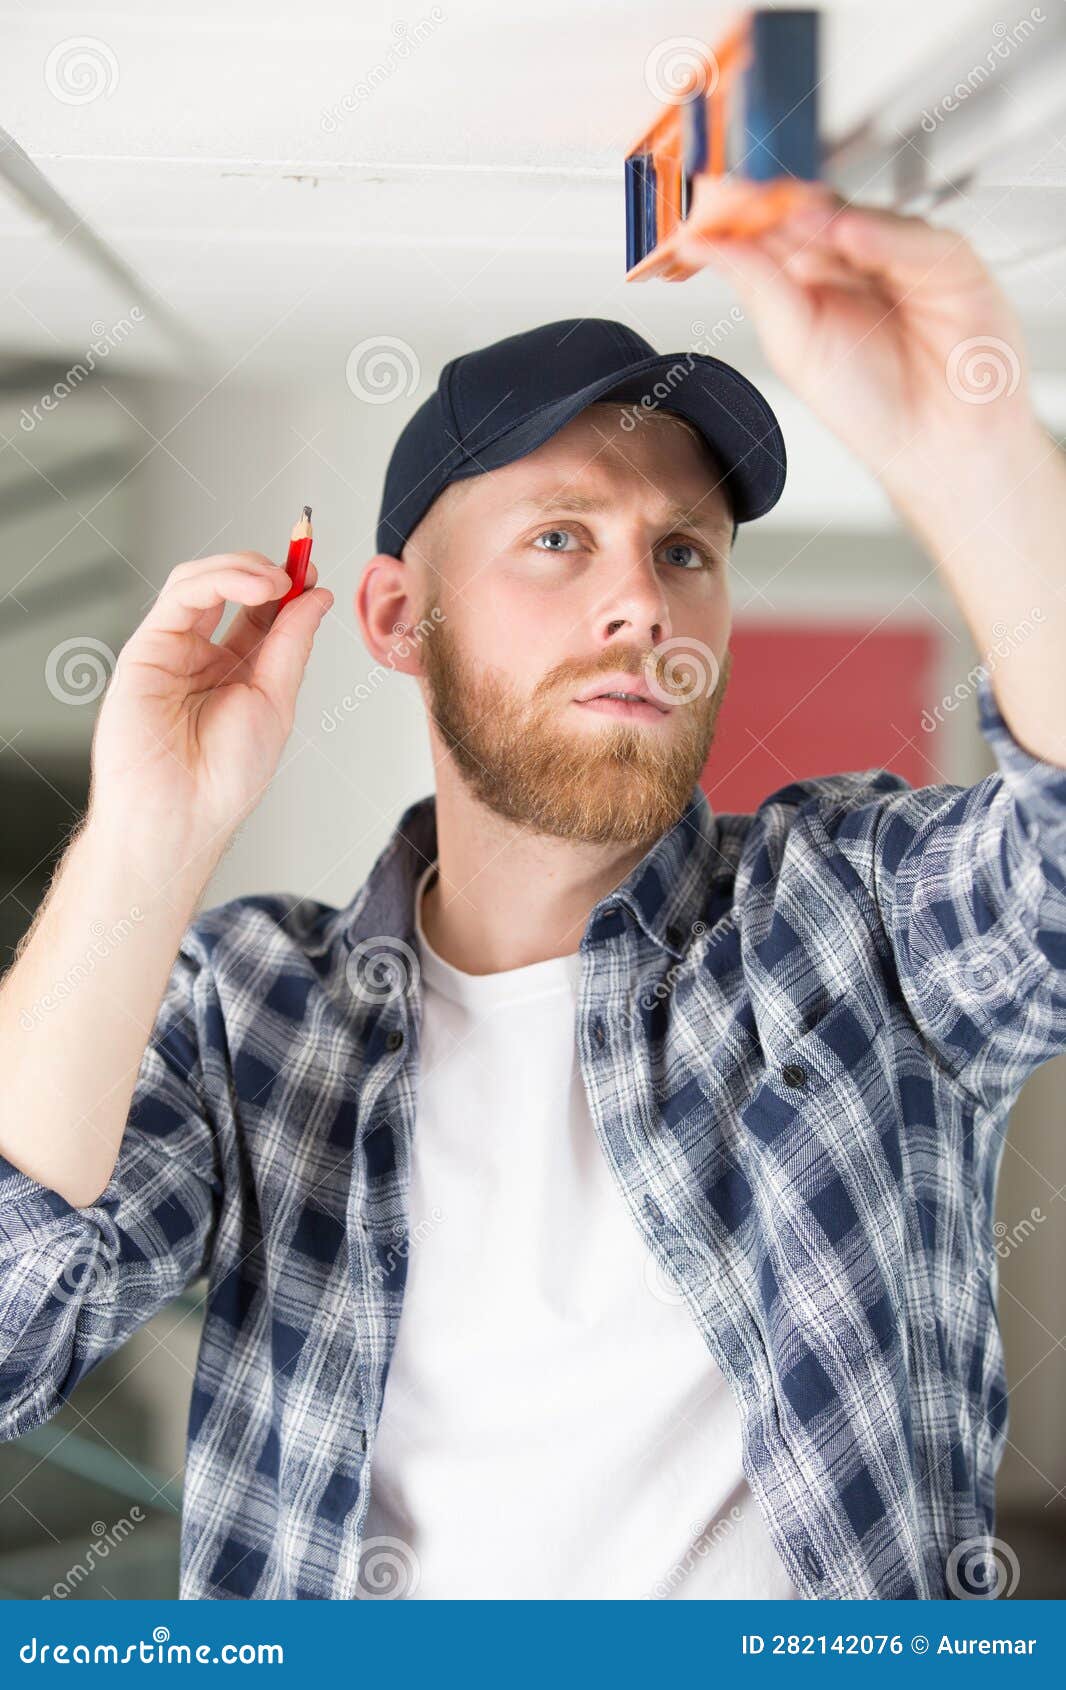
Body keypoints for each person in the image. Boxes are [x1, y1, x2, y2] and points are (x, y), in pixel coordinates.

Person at [1, 197, 1063, 1601]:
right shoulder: (249, 1008)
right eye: (560, 539)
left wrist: (974, 447)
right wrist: (149, 828)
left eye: (683, 551)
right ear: (397, 618)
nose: (642, 603)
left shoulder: (846, 914)